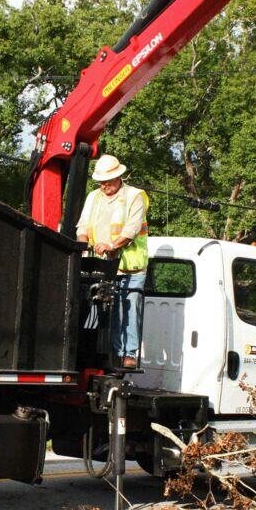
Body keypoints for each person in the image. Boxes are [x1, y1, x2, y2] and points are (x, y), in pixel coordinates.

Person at [76, 154, 150, 369]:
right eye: (100, 181)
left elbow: (132, 229)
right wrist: (83, 246)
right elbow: (82, 227)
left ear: (118, 177)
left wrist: (112, 244)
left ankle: (128, 354)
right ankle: (96, 351)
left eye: (107, 181)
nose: (103, 185)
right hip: (100, 265)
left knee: (128, 308)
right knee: (97, 308)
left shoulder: (135, 196)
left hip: (129, 266)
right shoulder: (94, 197)